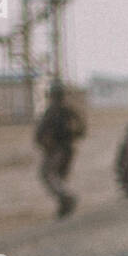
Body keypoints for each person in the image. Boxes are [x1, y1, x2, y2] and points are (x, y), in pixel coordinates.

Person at [33, 82, 86, 218]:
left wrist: (45, 144)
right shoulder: (69, 111)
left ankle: (66, 198)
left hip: (56, 150)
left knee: (48, 175)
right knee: (60, 178)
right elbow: (82, 128)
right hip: (69, 149)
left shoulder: (50, 112)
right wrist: (74, 135)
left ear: (51, 96)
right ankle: (64, 206)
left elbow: (39, 134)